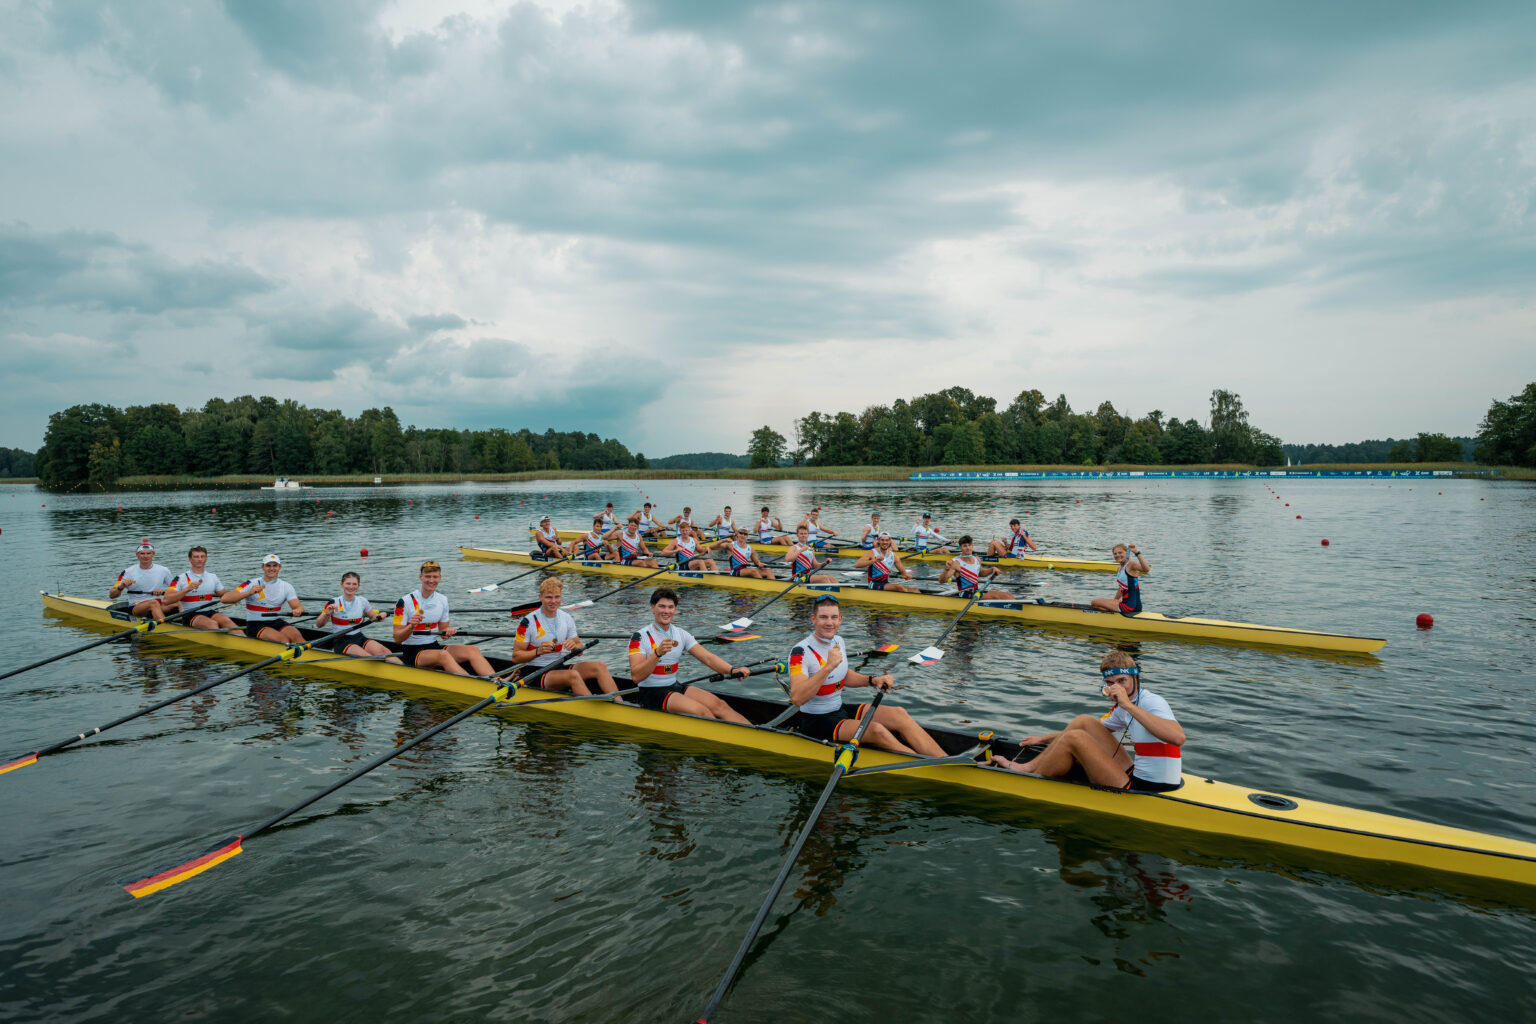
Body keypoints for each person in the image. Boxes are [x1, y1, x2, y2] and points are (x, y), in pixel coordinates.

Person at [989, 651, 1184, 793]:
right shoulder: (1121, 708)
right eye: (1110, 683)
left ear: (1135, 678)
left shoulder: (1152, 701)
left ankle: (1029, 781)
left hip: (1153, 786)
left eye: (1122, 681)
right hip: (1137, 773)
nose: (1116, 688)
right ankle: (1028, 767)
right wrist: (1042, 739)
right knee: (1084, 721)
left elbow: (1178, 738)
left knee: (1075, 738)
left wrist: (1127, 705)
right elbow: (1091, 732)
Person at [784, 596, 944, 756]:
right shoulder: (800, 652)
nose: (829, 623)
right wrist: (828, 667)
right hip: (816, 721)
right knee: (877, 730)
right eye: (823, 617)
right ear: (813, 619)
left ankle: (946, 760)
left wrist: (872, 680)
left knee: (899, 714)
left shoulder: (838, 641)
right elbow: (798, 698)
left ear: (840, 619)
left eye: (834, 617)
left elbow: (843, 676)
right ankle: (928, 768)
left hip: (839, 709)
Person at [628, 587, 751, 722]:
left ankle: (753, 735)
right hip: (651, 692)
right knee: (702, 712)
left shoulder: (681, 633)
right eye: (661, 606)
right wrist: (657, 653)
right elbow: (636, 676)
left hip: (674, 686)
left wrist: (733, 670)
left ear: (675, 610)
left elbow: (708, 658)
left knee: (720, 705)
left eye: (670, 607)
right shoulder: (639, 637)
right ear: (653, 608)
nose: (666, 611)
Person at [511, 577, 617, 697]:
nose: (553, 601)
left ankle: (620, 704)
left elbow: (579, 649)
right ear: (540, 597)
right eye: (548, 597)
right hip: (535, 672)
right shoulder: (527, 622)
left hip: (557, 667)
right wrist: (538, 651)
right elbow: (516, 657)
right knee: (573, 675)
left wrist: (574, 647)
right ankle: (595, 709)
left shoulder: (566, 618)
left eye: (557, 597)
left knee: (600, 666)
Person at [391, 560, 496, 675]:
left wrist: (448, 632)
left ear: (440, 578)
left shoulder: (442, 600)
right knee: (443, 655)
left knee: (472, 649)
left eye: (435, 577)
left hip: (434, 647)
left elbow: (443, 631)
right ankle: (478, 686)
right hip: (413, 652)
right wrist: (411, 626)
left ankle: (497, 681)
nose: (431, 580)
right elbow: (397, 638)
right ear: (421, 577)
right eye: (428, 577)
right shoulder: (404, 602)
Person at [223, 554, 306, 643]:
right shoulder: (250, 583)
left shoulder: (286, 586)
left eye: (275, 566)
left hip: (276, 621)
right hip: (256, 624)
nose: (271, 568)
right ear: (263, 567)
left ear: (279, 567)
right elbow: (225, 599)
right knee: (282, 639)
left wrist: (298, 610)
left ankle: (306, 655)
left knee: (296, 636)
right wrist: (249, 592)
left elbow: (298, 606)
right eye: (268, 565)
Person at [315, 571, 395, 658]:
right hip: (341, 640)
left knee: (385, 652)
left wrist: (381, 616)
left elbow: (373, 616)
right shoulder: (334, 602)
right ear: (341, 584)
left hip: (359, 637)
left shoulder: (362, 601)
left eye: (354, 584)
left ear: (358, 586)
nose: (351, 587)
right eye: (348, 583)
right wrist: (326, 614)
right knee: (368, 657)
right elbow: (319, 625)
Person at [162, 545, 236, 630]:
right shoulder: (180, 578)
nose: (200, 559)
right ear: (190, 559)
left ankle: (241, 641)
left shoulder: (213, 577)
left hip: (208, 612)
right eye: (196, 557)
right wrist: (187, 589)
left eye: (202, 556)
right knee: (212, 624)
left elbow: (224, 596)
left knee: (227, 621)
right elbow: (166, 600)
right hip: (189, 615)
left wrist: (240, 594)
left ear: (206, 559)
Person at [109, 539, 175, 623]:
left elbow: (175, 591)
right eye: (142, 553)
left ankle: (186, 623)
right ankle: (166, 628)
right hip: (136, 606)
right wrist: (121, 587)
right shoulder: (128, 572)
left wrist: (163, 592)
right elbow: (112, 595)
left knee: (180, 602)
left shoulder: (163, 570)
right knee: (153, 603)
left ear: (153, 554)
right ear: (137, 555)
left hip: (158, 603)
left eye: (148, 553)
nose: (145, 556)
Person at [938, 536, 1014, 599]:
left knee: (1008, 595)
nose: (968, 548)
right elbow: (941, 581)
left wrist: (992, 569)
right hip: (965, 594)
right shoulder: (956, 563)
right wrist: (946, 570)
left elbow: (981, 573)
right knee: (1005, 596)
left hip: (975, 592)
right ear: (960, 548)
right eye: (965, 546)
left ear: (972, 546)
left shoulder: (976, 559)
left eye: (969, 545)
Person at [1091, 543, 1149, 614]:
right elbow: (1121, 588)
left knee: (1094, 602)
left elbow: (1146, 569)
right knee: (1097, 604)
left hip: (1128, 606)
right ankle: (1114, 611)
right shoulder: (1119, 569)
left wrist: (1137, 553)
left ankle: (1112, 614)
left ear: (1127, 553)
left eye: (1120, 552)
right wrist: (1115, 600)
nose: (1117, 555)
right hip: (1134, 605)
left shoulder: (1131, 565)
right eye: (1115, 554)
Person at [852, 532, 920, 593]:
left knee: (915, 590)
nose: (885, 542)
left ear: (890, 541)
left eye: (887, 540)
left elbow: (904, 573)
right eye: (882, 540)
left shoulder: (894, 556)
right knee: (898, 587)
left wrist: (906, 575)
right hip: (873, 584)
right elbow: (857, 565)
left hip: (885, 583)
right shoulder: (871, 553)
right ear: (878, 541)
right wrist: (874, 561)